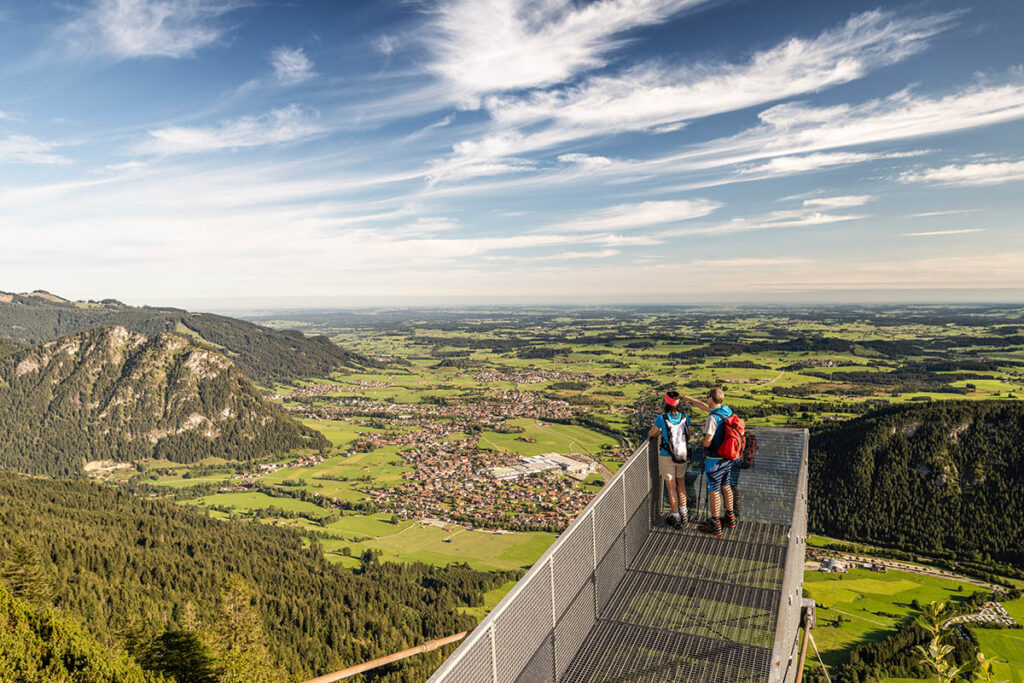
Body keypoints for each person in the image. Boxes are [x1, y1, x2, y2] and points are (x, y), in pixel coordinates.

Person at [683, 388, 735, 536]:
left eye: (707, 398)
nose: (706, 400)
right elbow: (707, 408)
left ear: (711, 398)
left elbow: (708, 441)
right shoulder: (726, 410)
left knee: (714, 491)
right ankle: (730, 518)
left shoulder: (712, 419)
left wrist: (701, 443)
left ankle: (715, 524)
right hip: (727, 457)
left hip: (714, 460)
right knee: (726, 486)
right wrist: (691, 400)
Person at [648, 390, 691, 527]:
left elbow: (652, 433)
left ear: (666, 402)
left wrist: (662, 432)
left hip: (667, 456)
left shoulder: (662, 418)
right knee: (681, 484)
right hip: (682, 455)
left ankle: (676, 516)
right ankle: (685, 513)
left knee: (671, 487)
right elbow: (688, 434)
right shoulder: (685, 417)